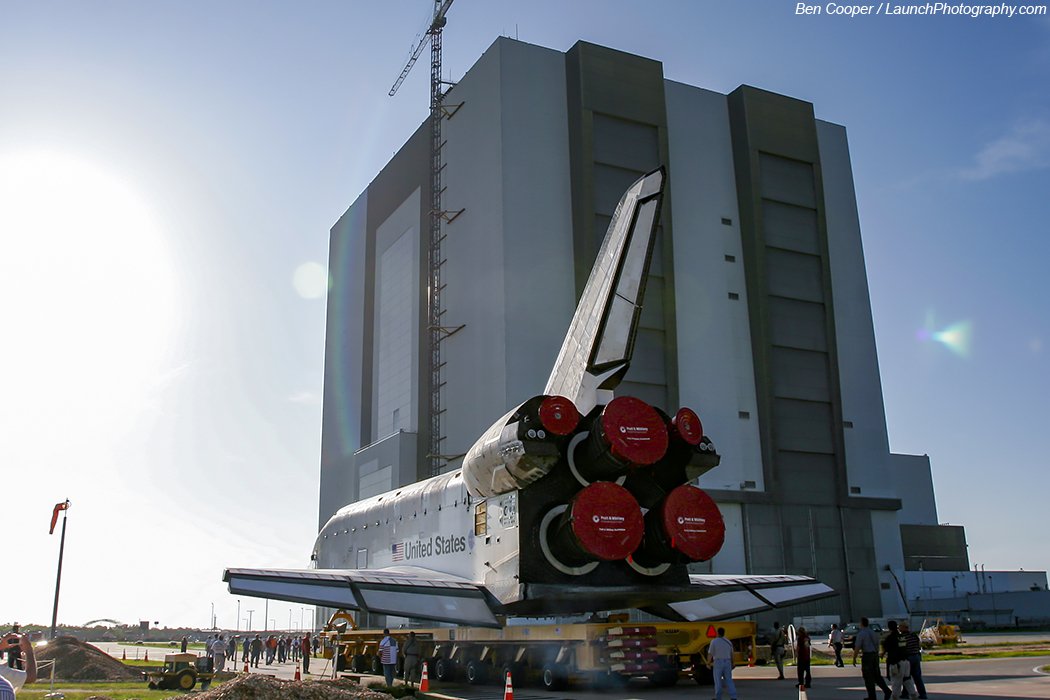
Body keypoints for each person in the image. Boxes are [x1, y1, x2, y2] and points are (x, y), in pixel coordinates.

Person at [852, 617, 891, 700]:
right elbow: (878, 644)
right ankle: (886, 690)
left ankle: (872, 696)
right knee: (877, 675)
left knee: (868, 677)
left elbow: (858, 646)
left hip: (867, 655)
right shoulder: (873, 632)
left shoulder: (861, 633)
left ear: (861, 624)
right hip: (875, 655)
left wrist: (854, 657)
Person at [883, 620, 917, 700]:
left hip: (896, 663)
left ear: (889, 628)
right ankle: (913, 695)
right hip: (905, 661)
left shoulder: (890, 638)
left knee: (896, 682)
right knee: (907, 680)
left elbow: (888, 650)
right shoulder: (901, 637)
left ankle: (895, 697)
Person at [706, 627, 737, 700]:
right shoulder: (728, 642)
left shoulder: (714, 641)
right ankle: (733, 697)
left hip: (718, 662)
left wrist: (708, 663)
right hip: (727, 661)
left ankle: (718, 697)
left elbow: (710, 653)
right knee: (729, 680)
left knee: (718, 681)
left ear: (717, 633)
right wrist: (733, 663)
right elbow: (732, 653)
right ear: (724, 633)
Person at [900, 621, 928, 699]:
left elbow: (902, 648)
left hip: (908, 657)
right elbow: (919, 645)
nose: (899, 628)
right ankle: (923, 694)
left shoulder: (902, 637)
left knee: (906, 676)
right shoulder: (913, 635)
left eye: (900, 627)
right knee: (917, 677)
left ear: (903, 628)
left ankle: (906, 694)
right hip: (916, 656)